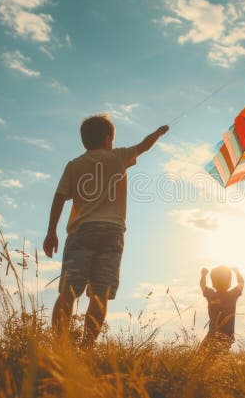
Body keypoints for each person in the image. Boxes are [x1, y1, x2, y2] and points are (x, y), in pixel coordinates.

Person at [43, 113, 168, 341]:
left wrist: (51, 231)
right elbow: (144, 146)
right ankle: (87, 347)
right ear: (108, 138)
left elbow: (59, 197)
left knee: (68, 293)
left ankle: (60, 348)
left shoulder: (74, 165)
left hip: (81, 232)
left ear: (84, 140)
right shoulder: (118, 157)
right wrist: (159, 133)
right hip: (112, 233)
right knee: (100, 294)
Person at [199, 265, 244, 353]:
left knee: (201, 355)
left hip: (212, 334)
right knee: (219, 357)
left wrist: (203, 274)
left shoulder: (211, 294)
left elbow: (202, 285)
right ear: (229, 282)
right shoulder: (232, 295)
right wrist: (237, 271)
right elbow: (241, 283)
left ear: (213, 283)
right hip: (227, 336)